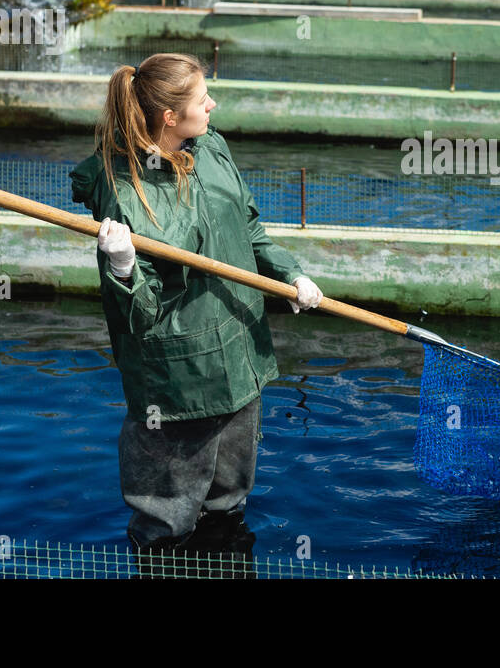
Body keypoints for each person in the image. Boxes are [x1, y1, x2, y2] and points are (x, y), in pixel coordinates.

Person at [69, 52, 322, 572]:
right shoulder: (128, 197)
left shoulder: (212, 148)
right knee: (164, 525)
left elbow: (249, 230)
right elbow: (140, 316)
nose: (213, 105)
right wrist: (121, 268)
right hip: (180, 385)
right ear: (168, 118)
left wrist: (289, 275)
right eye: (201, 99)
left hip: (241, 357)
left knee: (228, 508)